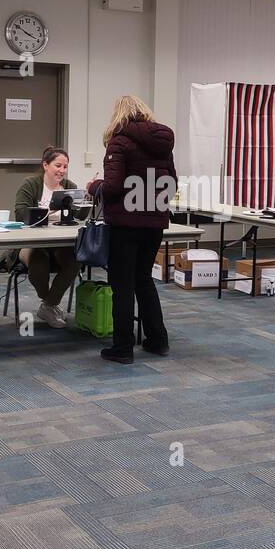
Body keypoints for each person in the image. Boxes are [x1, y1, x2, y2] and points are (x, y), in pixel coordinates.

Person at [86, 96, 176, 364]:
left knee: (122, 285)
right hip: (154, 223)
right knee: (144, 280)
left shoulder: (119, 142)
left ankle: (123, 347)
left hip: (125, 225)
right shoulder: (163, 144)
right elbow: (172, 183)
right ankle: (157, 340)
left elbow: (112, 188)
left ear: (119, 114)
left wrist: (94, 187)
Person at [9, 146, 79, 328]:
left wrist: (87, 198)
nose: (62, 171)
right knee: (39, 259)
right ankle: (50, 303)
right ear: (45, 165)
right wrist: (51, 212)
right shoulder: (31, 184)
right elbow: (21, 214)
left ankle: (48, 305)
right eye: (58, 166)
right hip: (31, 242)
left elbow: (78, 216)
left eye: (65, 167)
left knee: (75, 261)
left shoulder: (70, 187)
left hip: (61, 243)